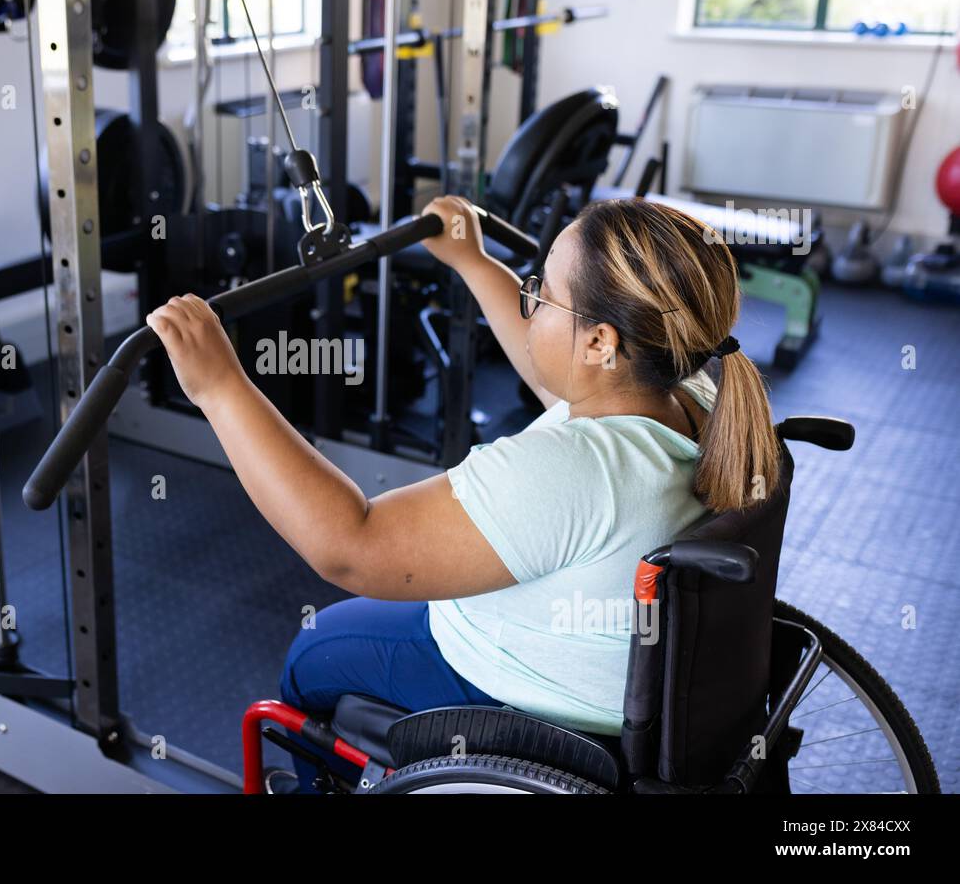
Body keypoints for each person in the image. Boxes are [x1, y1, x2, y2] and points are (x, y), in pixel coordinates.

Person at [145, 195, 779, 792]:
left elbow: (348, 546)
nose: (529, 304)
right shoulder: (698, 396)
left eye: (543, 295)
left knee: (313, 652)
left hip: (526, 697)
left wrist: (220, 388)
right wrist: (472, 261)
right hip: (636, 691)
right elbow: (555, 374)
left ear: (600, 342)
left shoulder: (569, 471)